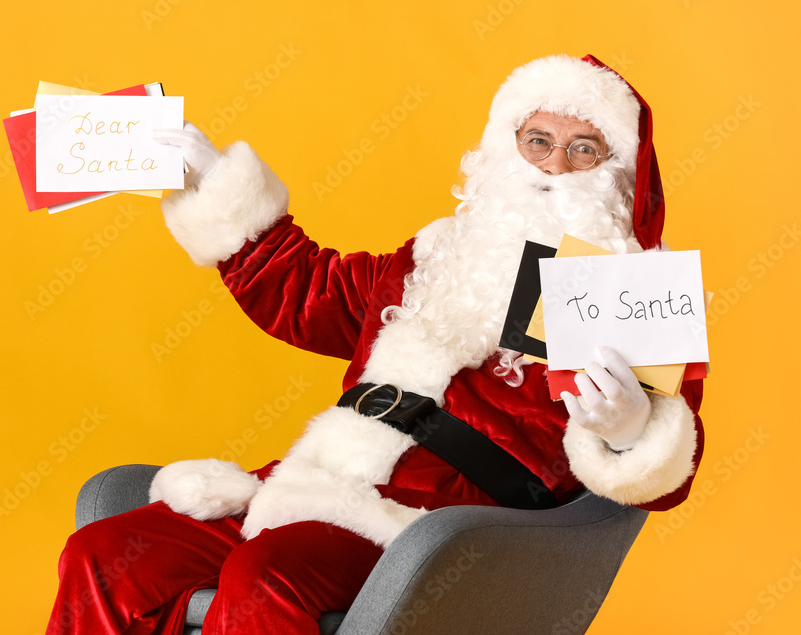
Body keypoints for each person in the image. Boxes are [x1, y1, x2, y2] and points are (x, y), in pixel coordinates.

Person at [45, 54, 704, 634]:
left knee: (267, 571)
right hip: (311, 480)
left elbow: (665, 468)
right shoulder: (435, 255)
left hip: (444, 529)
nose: (554, 166)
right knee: (102, 555)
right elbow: (305, 292)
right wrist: (214, 186)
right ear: (504, 150)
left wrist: (629, 427)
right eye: (537, 141)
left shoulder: (633, 290)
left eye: (584, 149)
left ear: (622, 175)